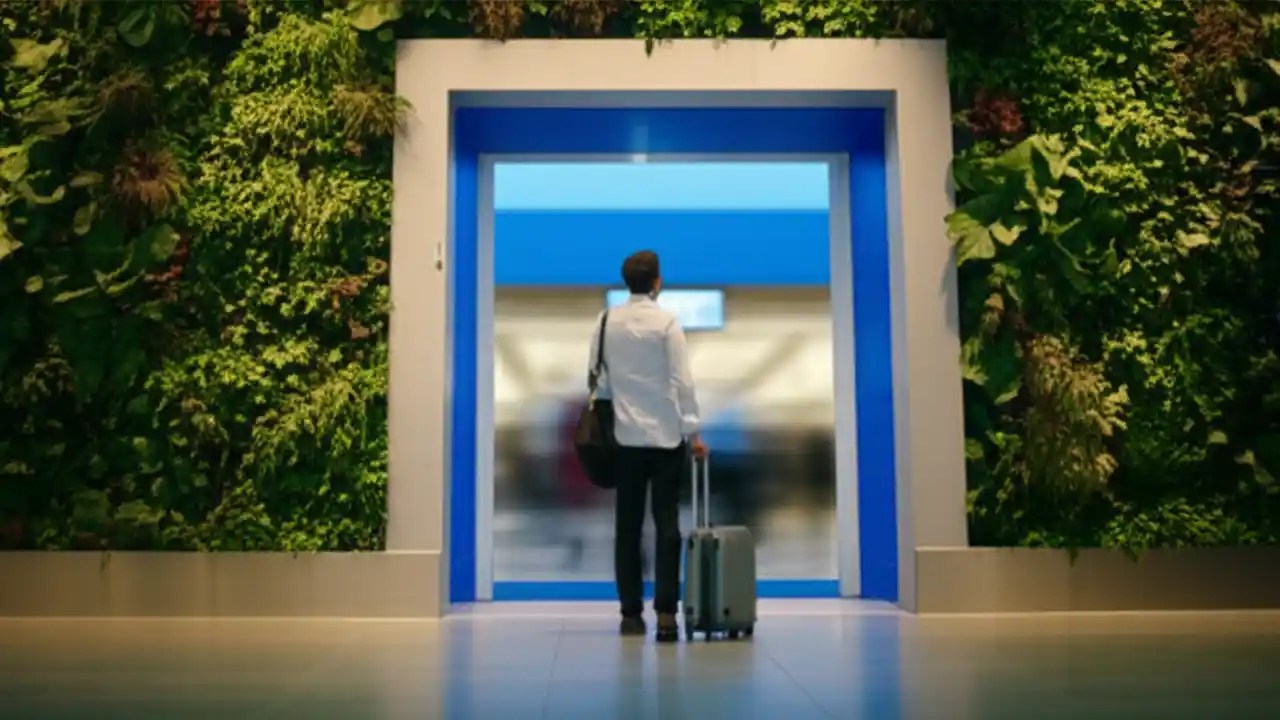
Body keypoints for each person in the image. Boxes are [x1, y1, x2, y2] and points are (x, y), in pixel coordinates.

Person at [589, 250, 707, 643]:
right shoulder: (668, 323)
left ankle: (630, 614)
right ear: (657, 281)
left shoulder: (606, 322)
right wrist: (693, 431)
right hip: (666, 439)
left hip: (625, 441)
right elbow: (682, 381)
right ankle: (667, 615)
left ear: (628, 282)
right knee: (667, 526)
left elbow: (598, 381)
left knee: (628, 528)